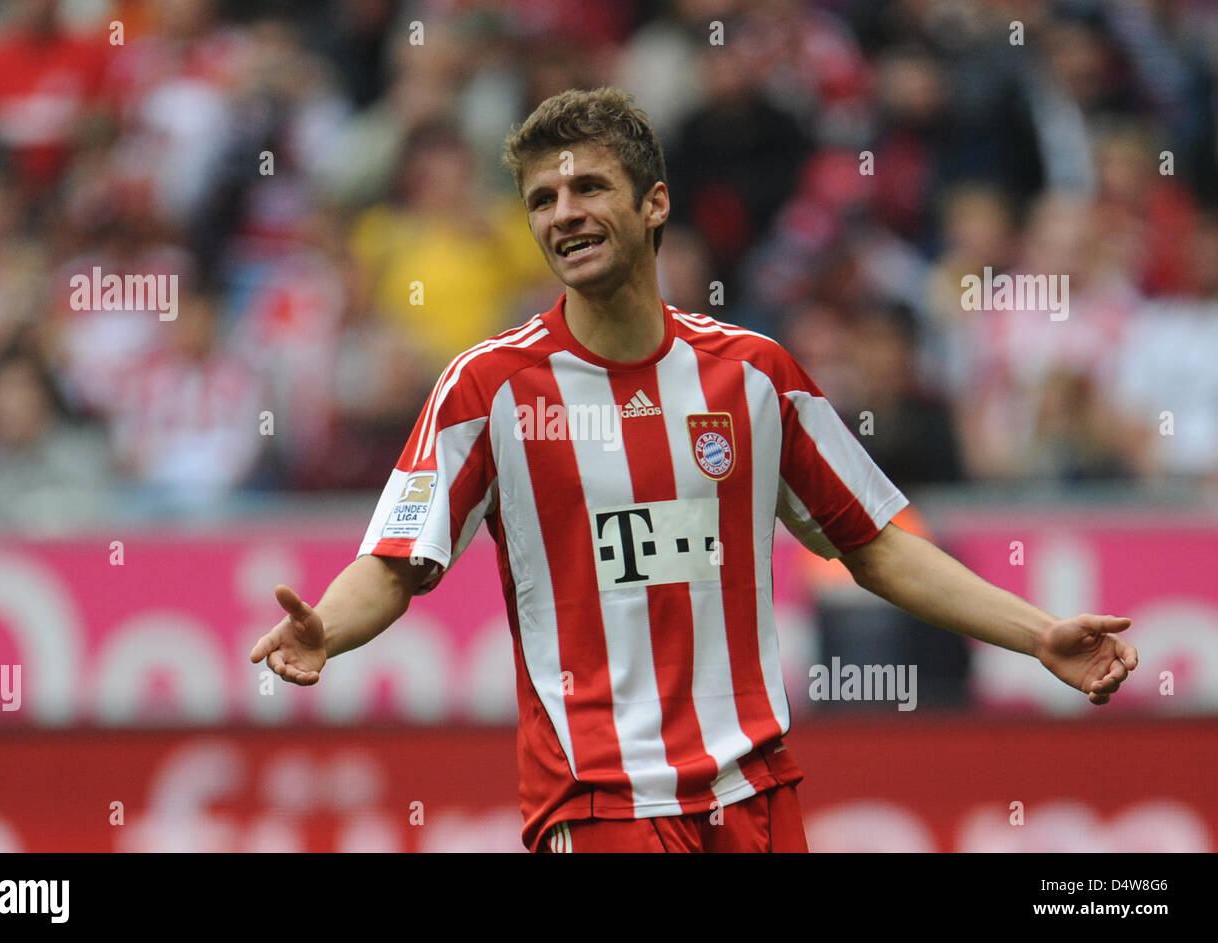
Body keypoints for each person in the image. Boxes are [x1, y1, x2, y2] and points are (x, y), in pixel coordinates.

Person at [250, 87, 1138, 853]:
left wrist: (1038, 634)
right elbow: (397, 559)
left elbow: (878, 545)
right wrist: (327, 627)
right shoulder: (486, 388)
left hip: (755, 791)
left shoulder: (754, 374)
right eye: (542, 198)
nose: (563, 212)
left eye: (589, 186)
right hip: (600, 799)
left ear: (654, 204)